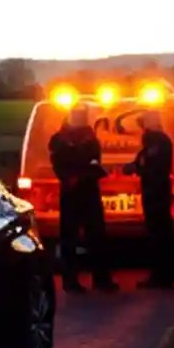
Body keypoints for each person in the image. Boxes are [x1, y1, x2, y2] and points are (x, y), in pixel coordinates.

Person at [49, 105, 118, 293]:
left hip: (84, 188)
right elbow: (59, 164)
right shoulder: (63, 139)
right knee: (73, 237)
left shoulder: (85, 137)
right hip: (74, 190)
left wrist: (83, 170)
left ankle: (98, 279)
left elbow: (94, 159)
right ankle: (75, 281)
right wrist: (74, 175)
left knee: (93, 235)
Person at [124, 109, 174, 288]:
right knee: (160, 232)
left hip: (156, 192)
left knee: (159, 233)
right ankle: (165, 274)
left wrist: (136, 168)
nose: (142, 130)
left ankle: (163, 275)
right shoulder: (157, 142)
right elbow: (143, 161)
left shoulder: (158, 142)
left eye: (143, 125)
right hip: (156, 191)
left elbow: (149, 164)